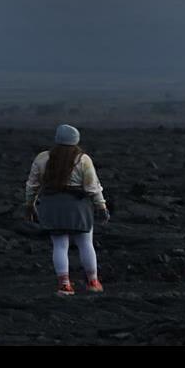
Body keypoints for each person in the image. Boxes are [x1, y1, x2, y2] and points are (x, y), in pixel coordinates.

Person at [24, 124, 110, 297]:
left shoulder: (42, 158)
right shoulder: (82, 159)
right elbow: (92, 186)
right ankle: (93, 281)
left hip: (52, 205)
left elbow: (32, 184)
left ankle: (65, 285)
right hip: (78, 206)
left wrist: (29, 204)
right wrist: (101, 206)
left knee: (59, 245)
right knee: (86, 243)